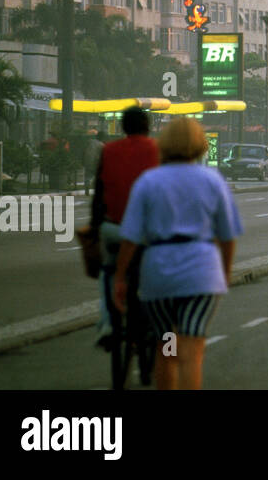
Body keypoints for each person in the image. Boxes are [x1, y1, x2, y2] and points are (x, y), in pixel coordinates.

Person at [112, 117, 242, 390]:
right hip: (200, 275)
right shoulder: (212, 180)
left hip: (159, 276)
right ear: (200, 144)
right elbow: (228, 236)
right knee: (192, 349)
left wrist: (121, 276)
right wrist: (225, 273)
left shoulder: (149, 181)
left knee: (167, 346)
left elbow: (131, 237)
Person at [91, 107, 160, 347]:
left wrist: (94, 227)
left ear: (122, 127)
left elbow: (98, 193)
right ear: (148, 127)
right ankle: (166, 343)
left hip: (113, 229)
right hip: (147, 232)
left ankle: (108, 323)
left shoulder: (108, 150)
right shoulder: (157, 150)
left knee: (108, 273)